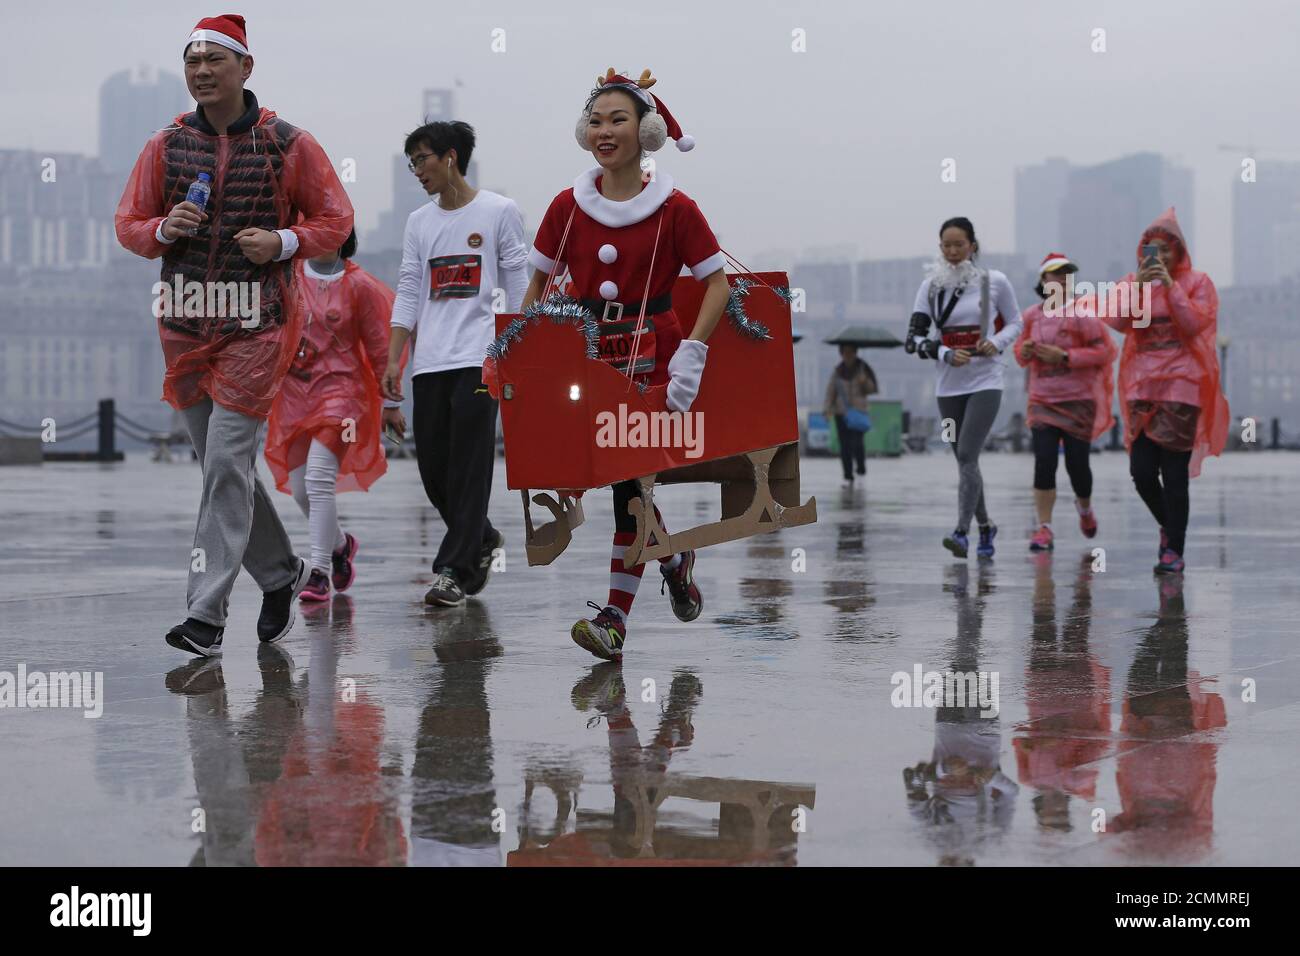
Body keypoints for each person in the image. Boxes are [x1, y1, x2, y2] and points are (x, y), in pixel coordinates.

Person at [116, 14, 353, 657]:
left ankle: (205, 614)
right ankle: (281, 577)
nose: (200, 71)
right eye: (191, 61)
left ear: (245, 68)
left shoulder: (287, 142)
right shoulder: (165, 145)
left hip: (258, 321)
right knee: (224, 467)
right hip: (185, 318)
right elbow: (129, 226)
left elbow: (335, 219)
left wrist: (284, 241)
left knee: (225, 462)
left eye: (213, 61)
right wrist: (166, 229)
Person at [522, 68, 730, 661]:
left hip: (655, 362)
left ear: (649, 131)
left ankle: (614, 618)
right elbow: (536, 284)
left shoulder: (675, 208)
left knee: (628, 482)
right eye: (596, 120)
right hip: (587, 358)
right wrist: (528, 355)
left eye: (619, 119)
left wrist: (692, 352)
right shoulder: (567, 205)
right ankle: (673, 556)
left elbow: (717, 284)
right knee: (618, 476)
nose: (605, 130)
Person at [382, 121, 526, 607]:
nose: (417, 171)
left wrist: (513, 350)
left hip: (481, 359)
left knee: (469, 465)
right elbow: (407, 291)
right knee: (434, 470)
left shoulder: (498, 212)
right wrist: (394, 359)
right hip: (430, 362)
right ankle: (481, 537)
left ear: (449, 158)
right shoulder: (419, 223)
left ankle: (453, 571)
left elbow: (519, 285)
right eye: (411, 163)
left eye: (422, 160)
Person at [264, 229, 402, 602]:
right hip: (294, 399)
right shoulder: (288, 277)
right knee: (299, 489)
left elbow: (379, 347)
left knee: (319, 479)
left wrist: (390, 403)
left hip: (344, 398)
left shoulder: (360, 287)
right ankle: (341, 545)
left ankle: (319, 571)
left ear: (344, 238)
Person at [1101, 208, 1228, 573]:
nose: (1158, 256)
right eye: (1150, 249)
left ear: (1179, 252)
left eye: (1165, 249)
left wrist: (1171, 288)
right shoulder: (1132, 283)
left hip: (1182, 387)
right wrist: (1140, 287)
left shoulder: (1197, 283)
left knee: (1174, 474)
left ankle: (1174, 550)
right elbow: (1119, 322)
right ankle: (1168, 528)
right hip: (1141, 387)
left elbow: (1192, 325)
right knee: (1141, 472)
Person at [906, 217, 1023, 559]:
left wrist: (997, 342)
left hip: (986, 380)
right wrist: (942, 351)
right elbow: (913, 340)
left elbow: (1016, 321)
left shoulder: (994, 282)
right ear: (940, 248)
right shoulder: (930, 287)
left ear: (973, 245)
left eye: (960, 244)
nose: (953, 251)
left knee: (969, 454)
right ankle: (986, 527)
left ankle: (961, 533)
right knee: (964, 462)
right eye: (947, 245)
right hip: (948, 386)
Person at [1014, 252, 1118, 551]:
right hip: (1042, 400)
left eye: (1066, 274)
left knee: (1077, 466)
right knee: (1044, 461)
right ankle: (1043, 527)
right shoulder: (1031, 316)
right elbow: (1019, 355)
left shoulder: (1083, 316)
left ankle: (1084, 509)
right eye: (1054, 274)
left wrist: (1066, 357)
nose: (1060, 279)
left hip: (1078, 401)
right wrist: (1028, 350)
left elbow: (1106, 352)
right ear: (1042, 280)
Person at [823, 344, 878, 486]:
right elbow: (831, 392)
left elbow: (872, 389)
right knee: (845, 446)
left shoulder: (862, 369)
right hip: (841, 413)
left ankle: (860, 470)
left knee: (857, 444)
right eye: (844, 352)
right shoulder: (838, 371)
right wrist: (827, 409)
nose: (847, 355)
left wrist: (864, 381)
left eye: (850, 352)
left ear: (855, 352)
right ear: (841, 353)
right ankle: (848, 476)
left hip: (859, 412)